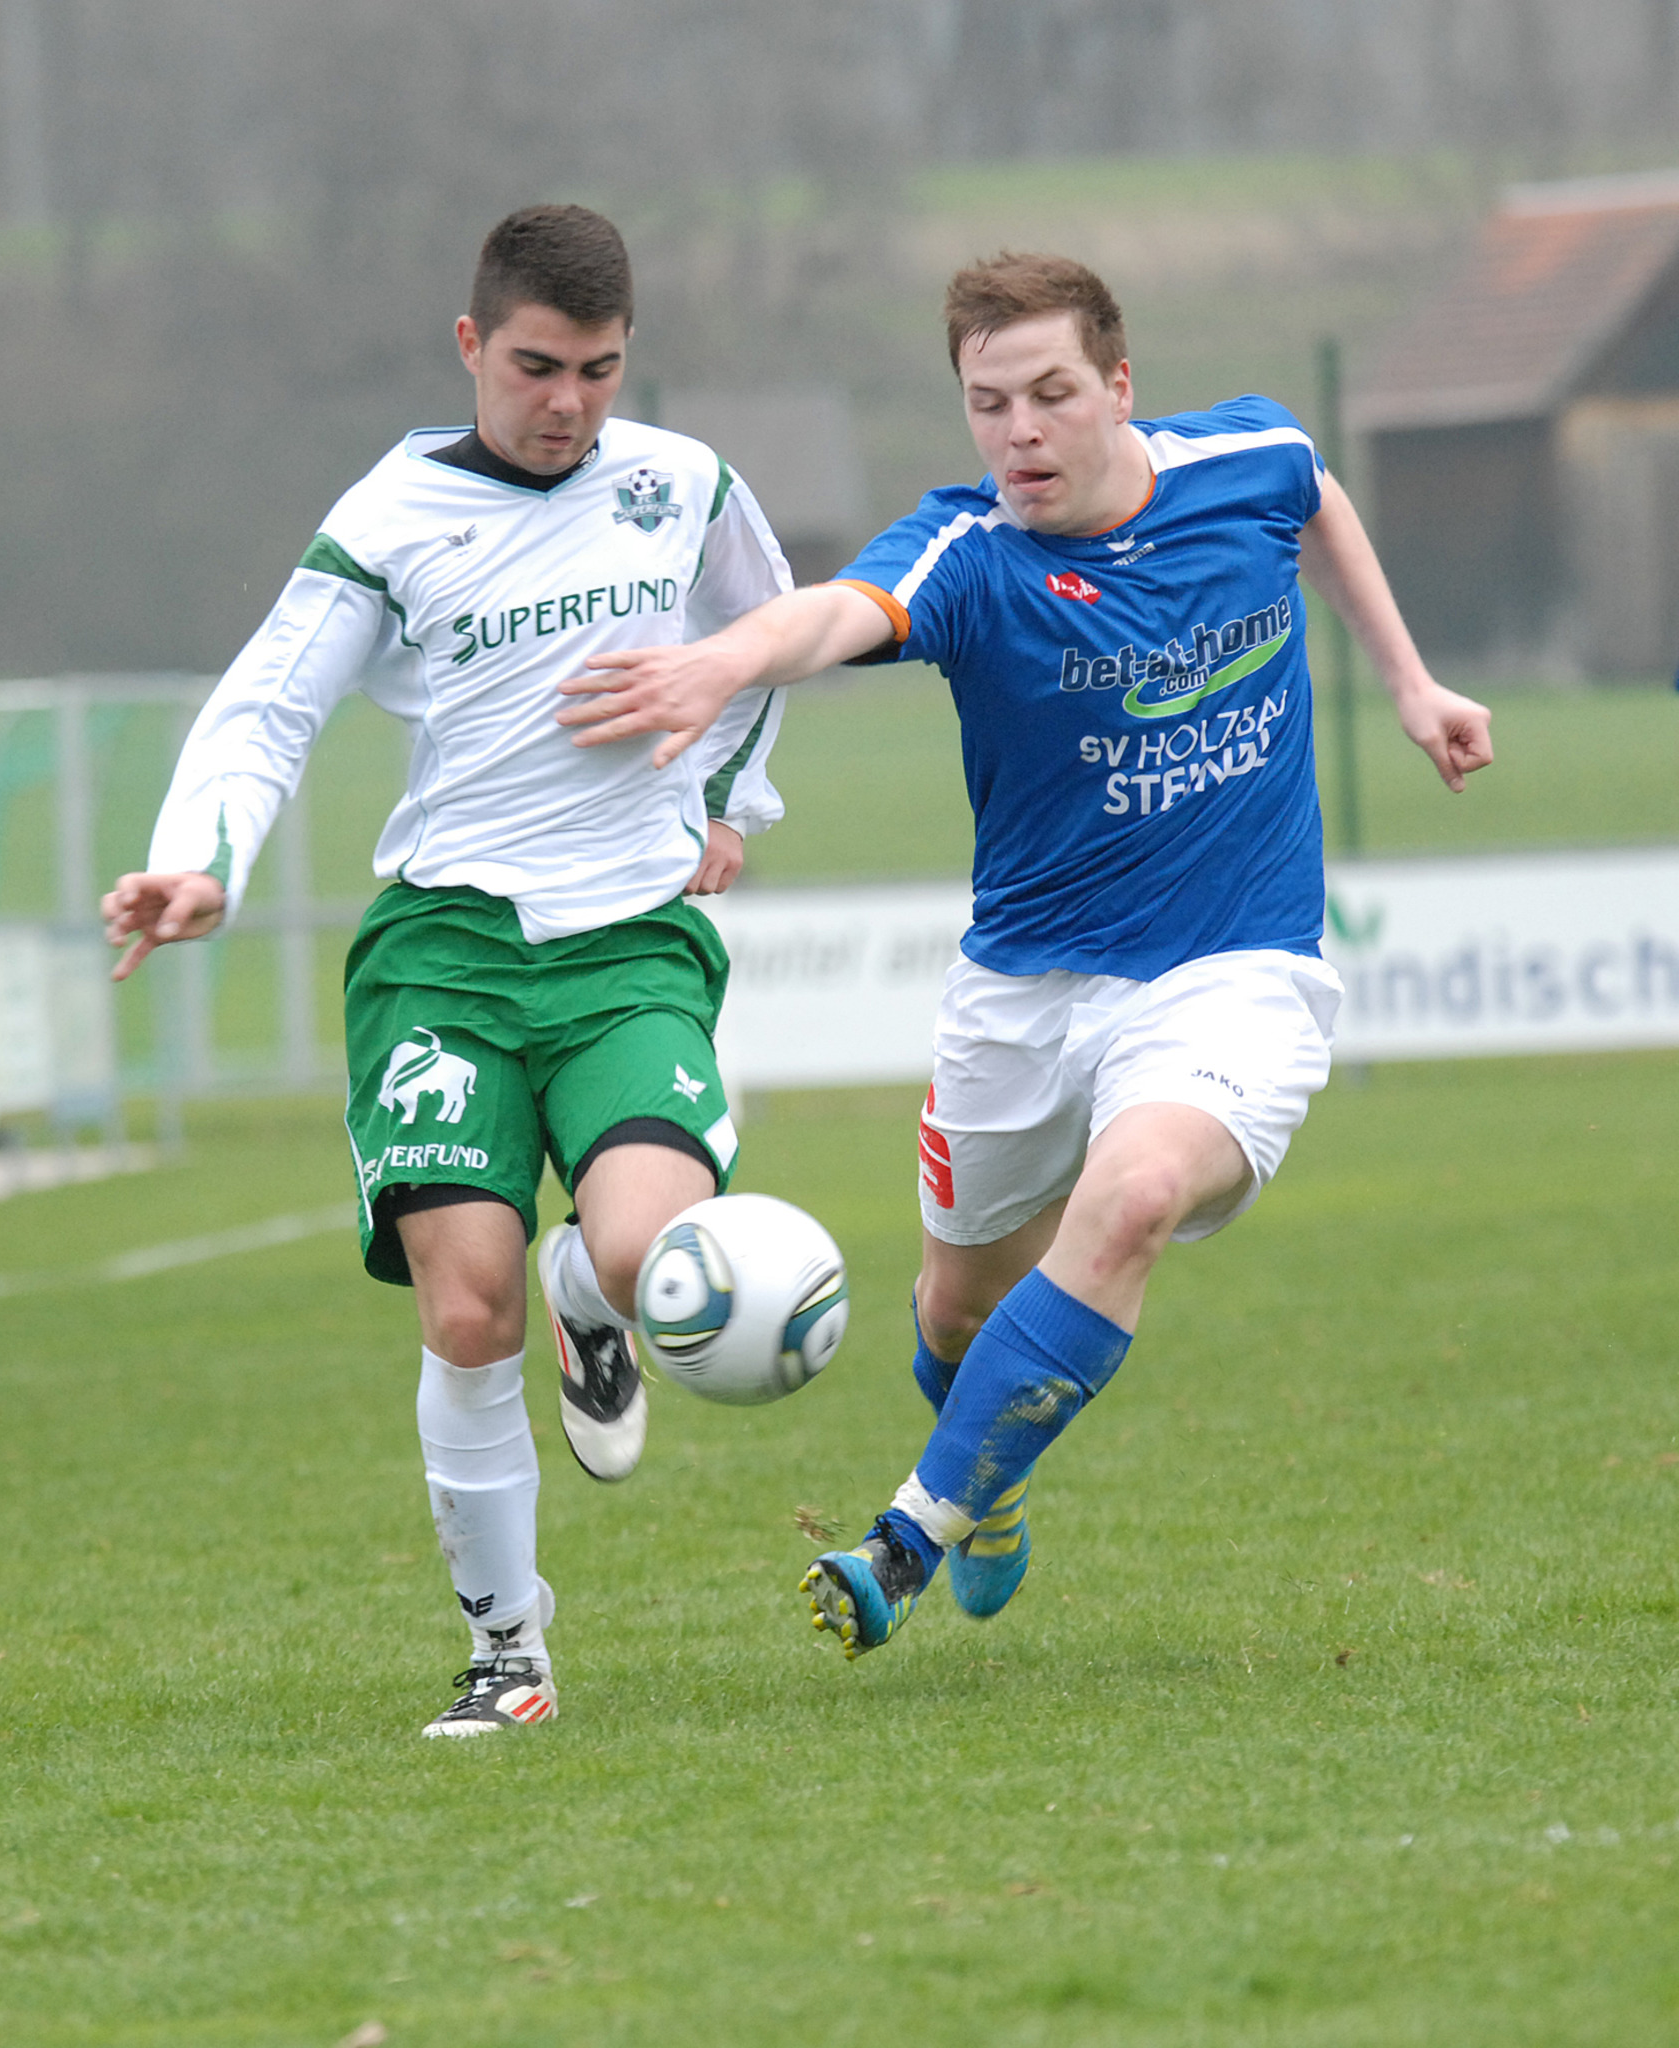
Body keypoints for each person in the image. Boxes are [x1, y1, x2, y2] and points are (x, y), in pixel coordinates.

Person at [560, 251, 1494, 1659]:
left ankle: (910, 1537)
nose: (1020, 433)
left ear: (1120, 387)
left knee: (1130, 1201)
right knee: (953, 1310)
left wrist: (1411, 682)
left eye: (1052, 395)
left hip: (1230, 973)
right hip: (1022, 994)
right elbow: (836, 611)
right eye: (988, 405)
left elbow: (1318, 494)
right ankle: (988, 1492)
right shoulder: (973, 556)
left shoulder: (1244, 455)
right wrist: (725, 662)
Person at [102, 205, 791, 1733]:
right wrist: (200, 856)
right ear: (473, 346)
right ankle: (508, 1651)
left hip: (626, 948)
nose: (570, 405)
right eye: (539, 367)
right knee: (463, 1310)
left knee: (650, 1268)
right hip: (445, 954)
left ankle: (587, 1293)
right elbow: (268, 706)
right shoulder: (392, 514)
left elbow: (767, 632)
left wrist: (729, 799)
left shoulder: (682, 485)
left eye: (601, 371)